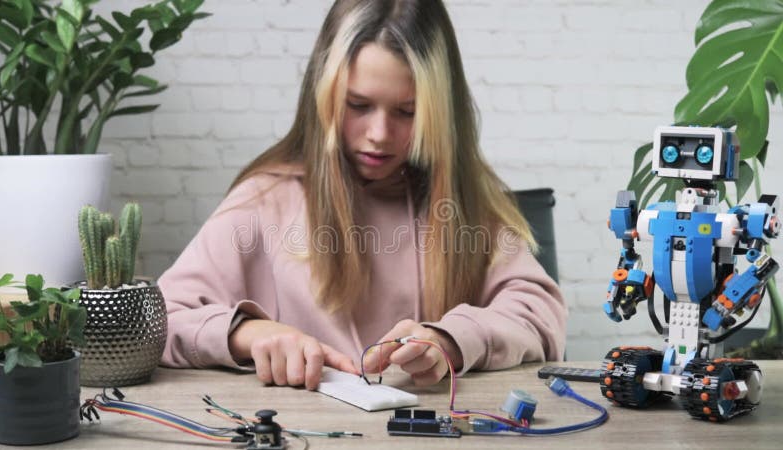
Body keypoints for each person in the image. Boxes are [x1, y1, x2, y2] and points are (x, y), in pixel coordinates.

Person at [159, 0, 566, 391]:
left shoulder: (462, 206)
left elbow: (540, 315)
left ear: (440, 114)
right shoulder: (264, 200)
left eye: (407, 112)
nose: (379, 134)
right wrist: (248, 333)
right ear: (324, 95)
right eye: (358, 105)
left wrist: (451, 340)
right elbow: (157, 320)